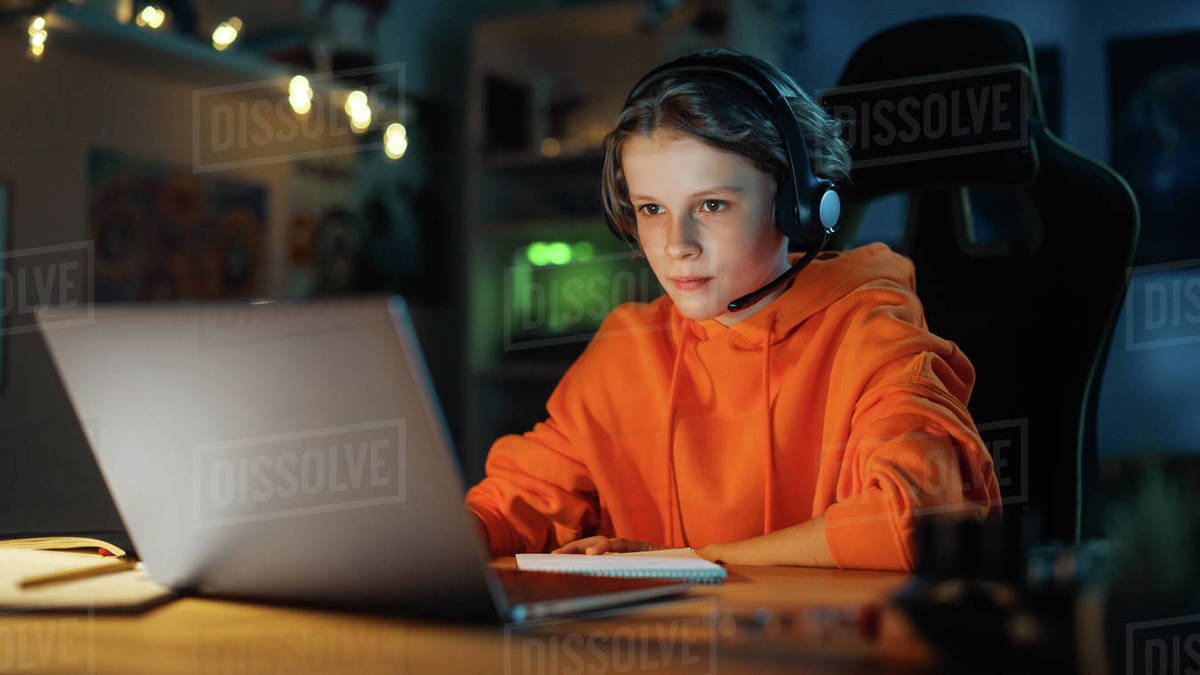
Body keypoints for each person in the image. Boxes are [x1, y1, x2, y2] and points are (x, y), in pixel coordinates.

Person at [465, 49, 1001, 571]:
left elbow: (919, 522)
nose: (678, 244)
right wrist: (451, 536)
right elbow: (519, 497)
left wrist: (693, 562)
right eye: (652, 209)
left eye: (712, 205)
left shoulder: (869, 331)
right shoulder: (627, 349)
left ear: (797, 205)